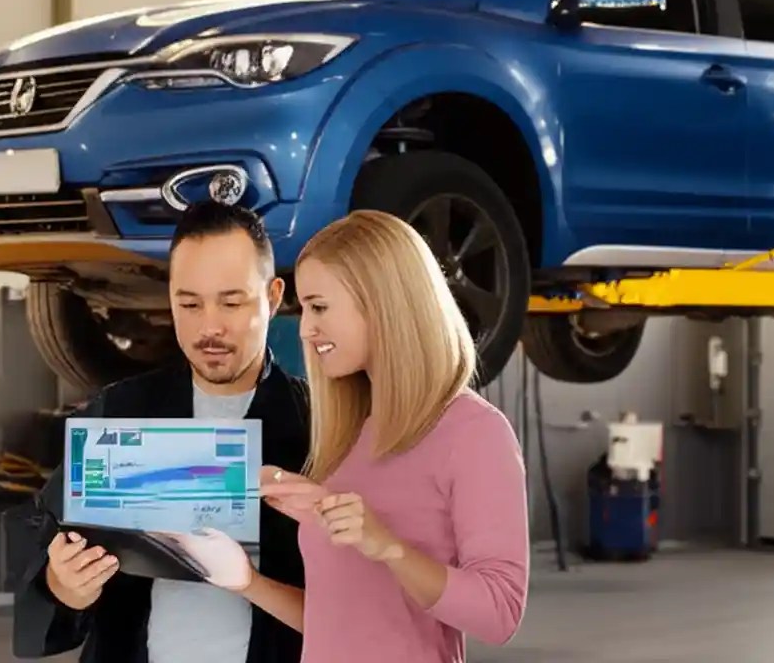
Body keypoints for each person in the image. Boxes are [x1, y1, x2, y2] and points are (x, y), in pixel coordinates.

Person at [165, 209, 530, 662]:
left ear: (383, 302)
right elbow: (340, 622)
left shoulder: (475, 434)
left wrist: (389, 547)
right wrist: (247, 581)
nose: (304, 329)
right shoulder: (350, 432)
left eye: (319, 307)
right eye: (304, 309)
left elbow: (500, 614)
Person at [7, 201, 311, 663]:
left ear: (272, 297)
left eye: (232, 302)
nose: (209, 326)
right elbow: (44, 544)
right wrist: (64, 583)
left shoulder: (318, 425)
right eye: (189, 303)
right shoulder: (120, 415)